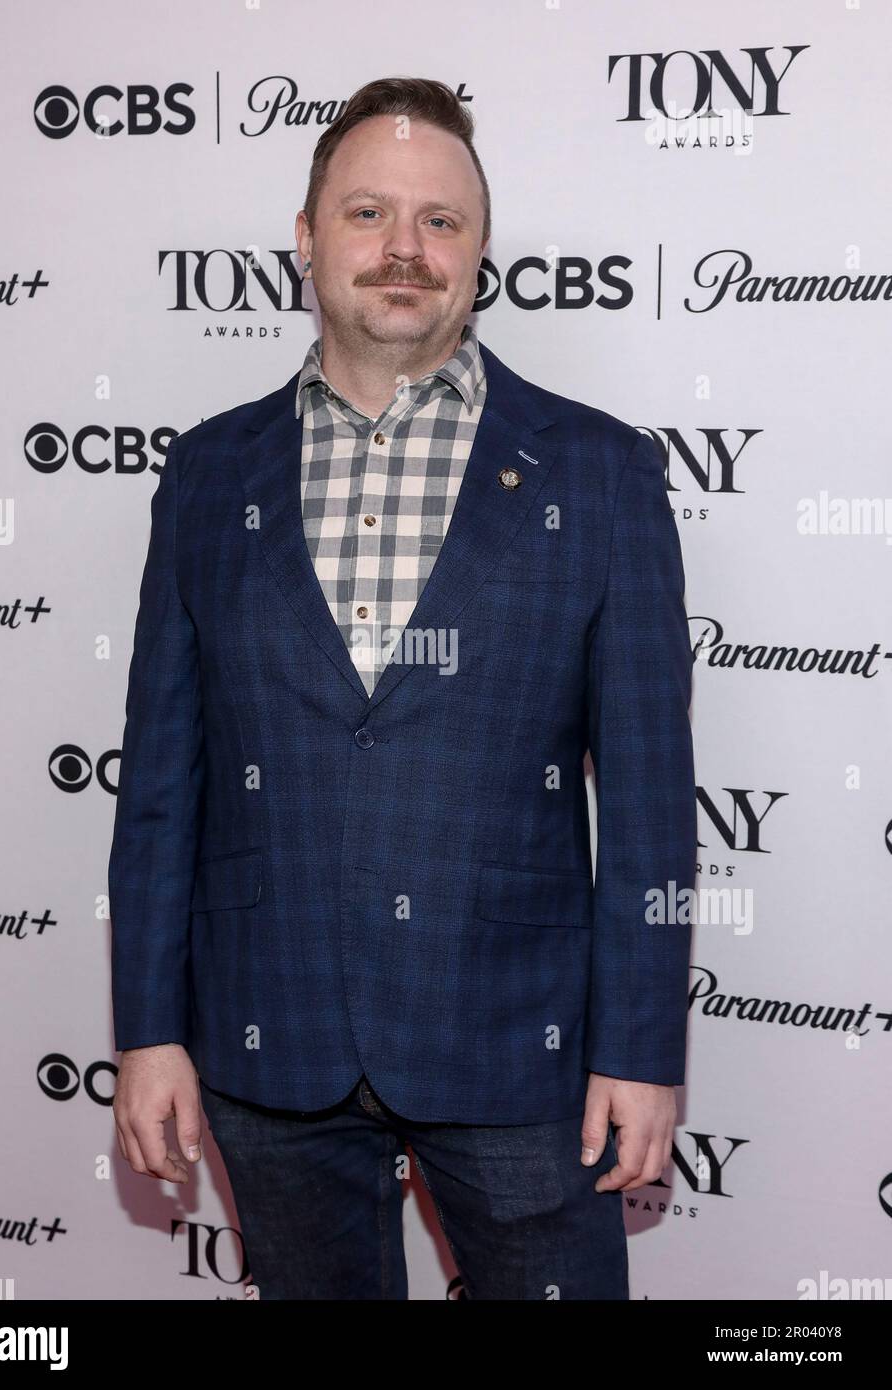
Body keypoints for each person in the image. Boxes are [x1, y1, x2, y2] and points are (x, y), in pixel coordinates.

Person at [108, 76, 697, 1300]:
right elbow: (162, 785)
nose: (404, 250)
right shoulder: (209, 475)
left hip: (521, 1047)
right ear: (308, 238)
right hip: (268, 1035)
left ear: (480, 254)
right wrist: (148, 1029)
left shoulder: (599, 472)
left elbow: (649, 795)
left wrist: (642, 1047)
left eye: (442, 221)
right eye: (369, 212)